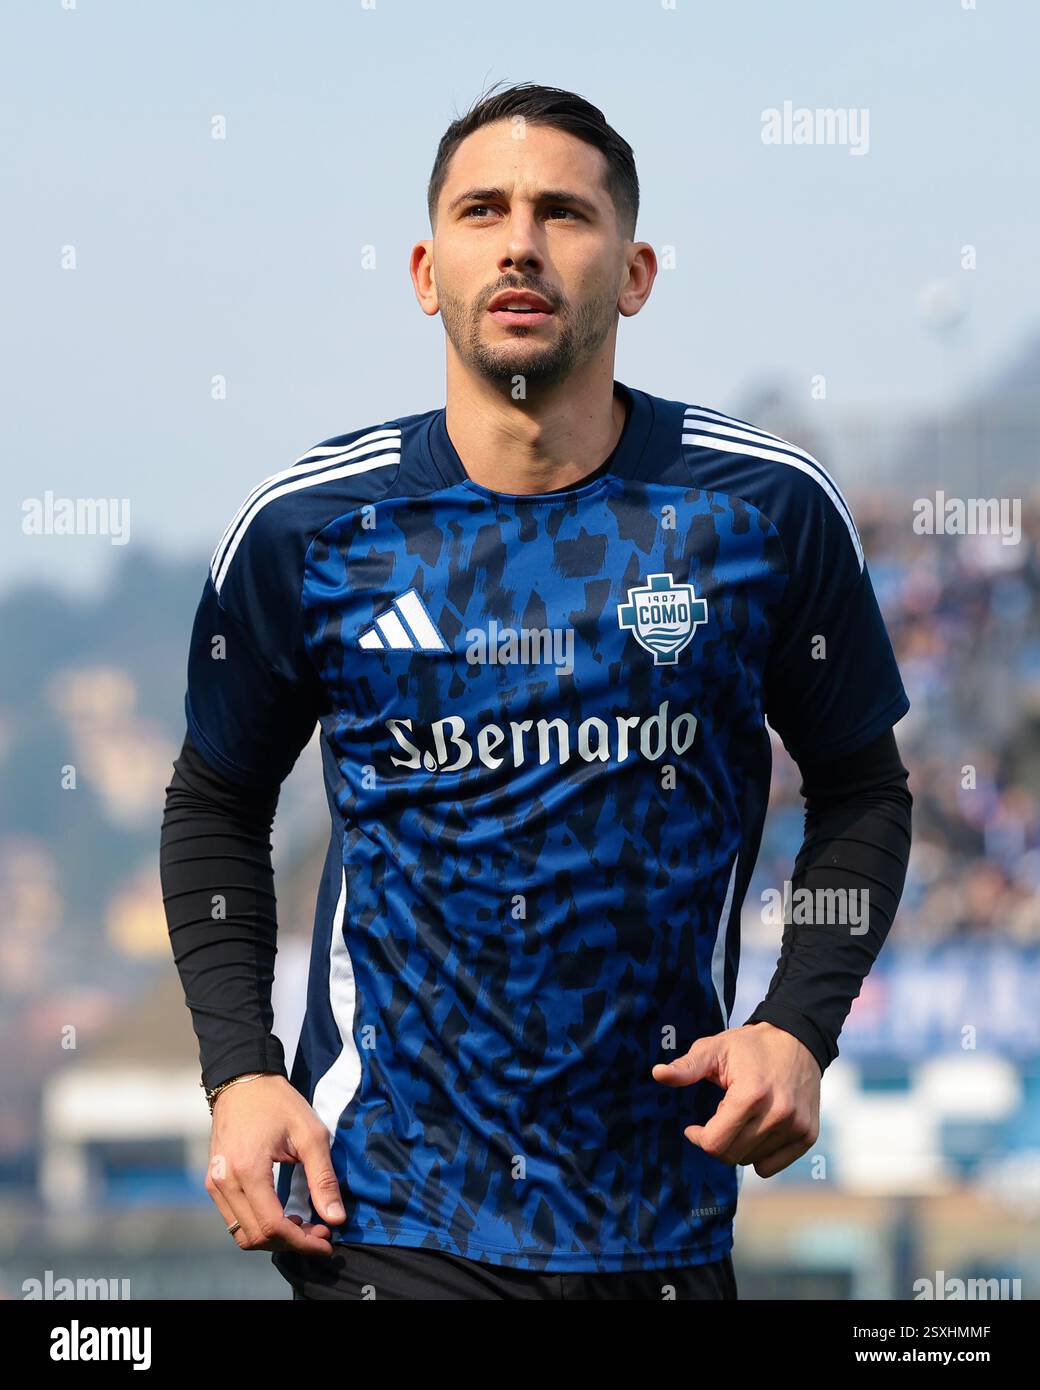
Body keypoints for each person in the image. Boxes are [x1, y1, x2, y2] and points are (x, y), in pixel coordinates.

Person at [160, 81, 912, 1301]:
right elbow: (215, 801)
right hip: (383, 1215)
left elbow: (862, 789)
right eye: (481, 210)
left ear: (634, 272)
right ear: (423, 268)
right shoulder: (311, 528)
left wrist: (797, 1025)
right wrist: (240, 1073)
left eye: (563, 212)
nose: (518, 241)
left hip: (659, 1225)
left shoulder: (760, 513)